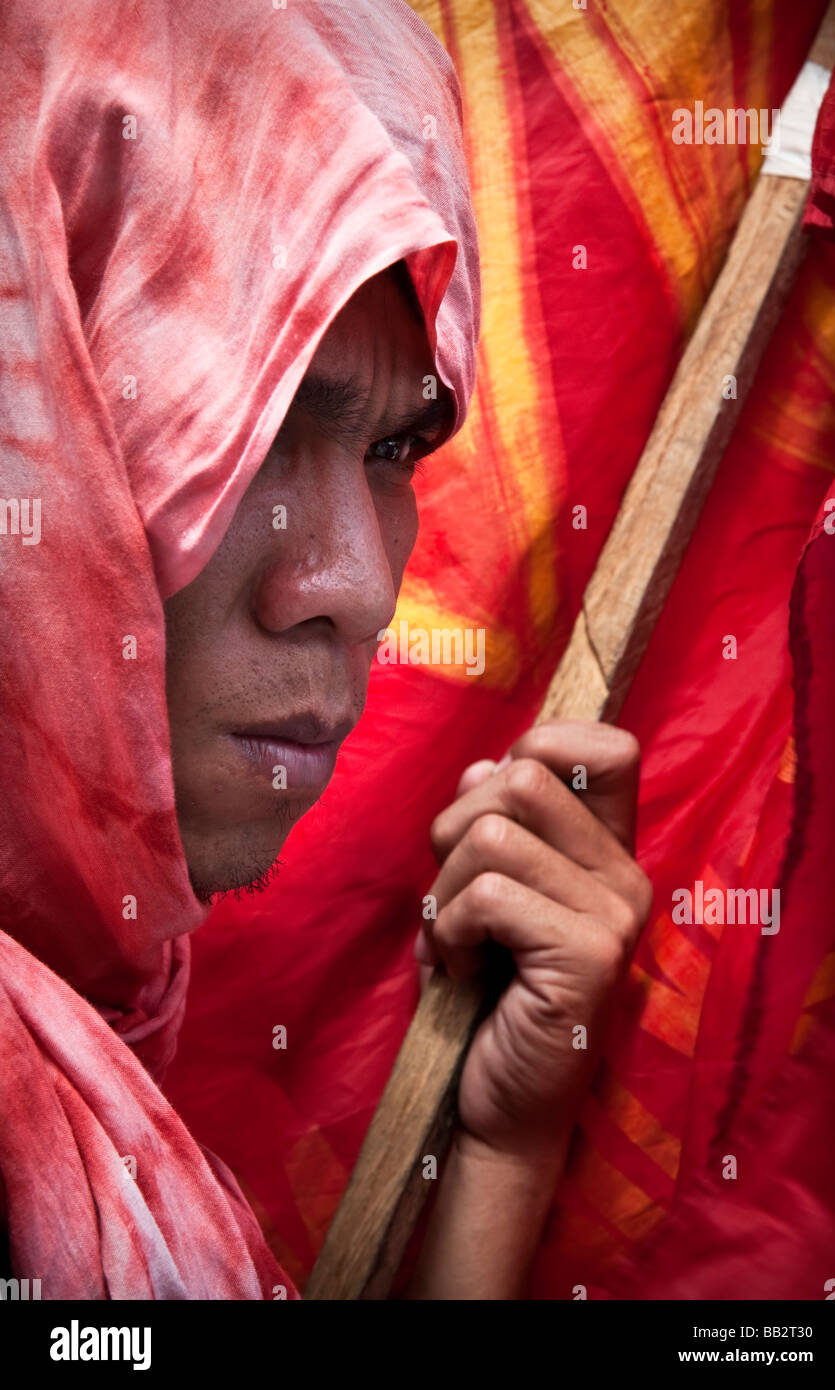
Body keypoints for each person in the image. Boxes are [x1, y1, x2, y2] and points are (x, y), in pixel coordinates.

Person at [0, 0, 651, 1298]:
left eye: (397, 449)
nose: (356, 587)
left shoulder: (90, 1067)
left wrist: (490, 1148)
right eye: (247, 427)